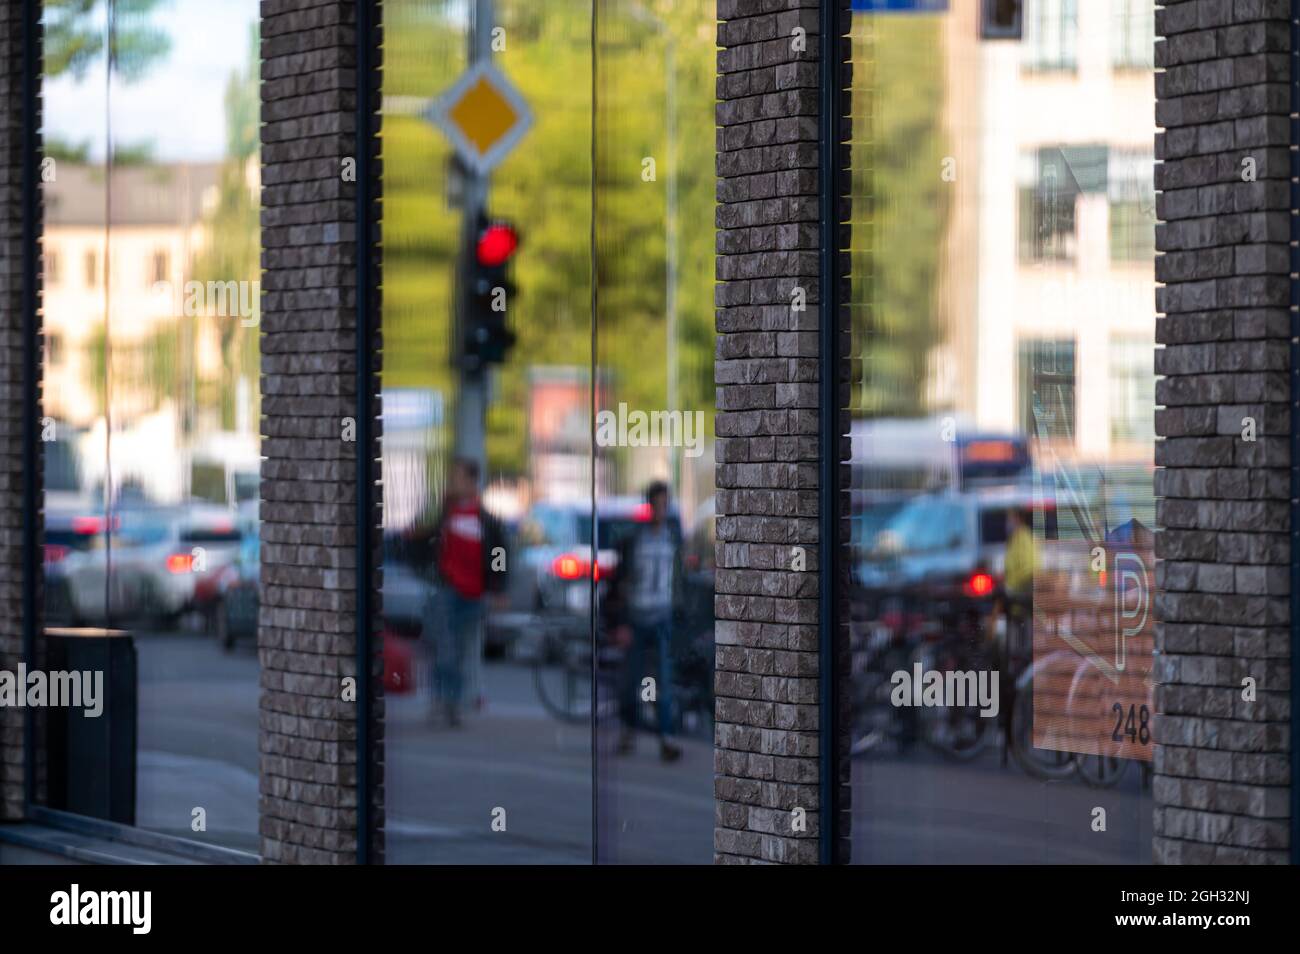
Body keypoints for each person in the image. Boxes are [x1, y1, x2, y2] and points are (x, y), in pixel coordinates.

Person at [408, 457, 507, 727]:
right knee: (443, 647)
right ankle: (441, 700)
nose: (455, 483)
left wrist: (497, 587)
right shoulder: (444, 513)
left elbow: (498, 553)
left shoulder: (486, 520)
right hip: (446, 589)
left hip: (473, 593)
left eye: (460, 477)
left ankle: (453, 702)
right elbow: (421, 540)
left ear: (472, 481)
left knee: (462, 651)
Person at [603, 481, 683, 762]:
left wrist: (679, 609)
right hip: (637, 617)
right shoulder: (635, 540)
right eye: (657, 504)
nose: (661, 510)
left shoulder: (673, 537)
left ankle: (666, 736)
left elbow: (679, 576)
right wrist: (621, 620)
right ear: (649, 507)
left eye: (665, 505)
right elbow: (620, 582)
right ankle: (629, 731)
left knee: (662, 680)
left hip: (661, 617)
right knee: (631, 680)